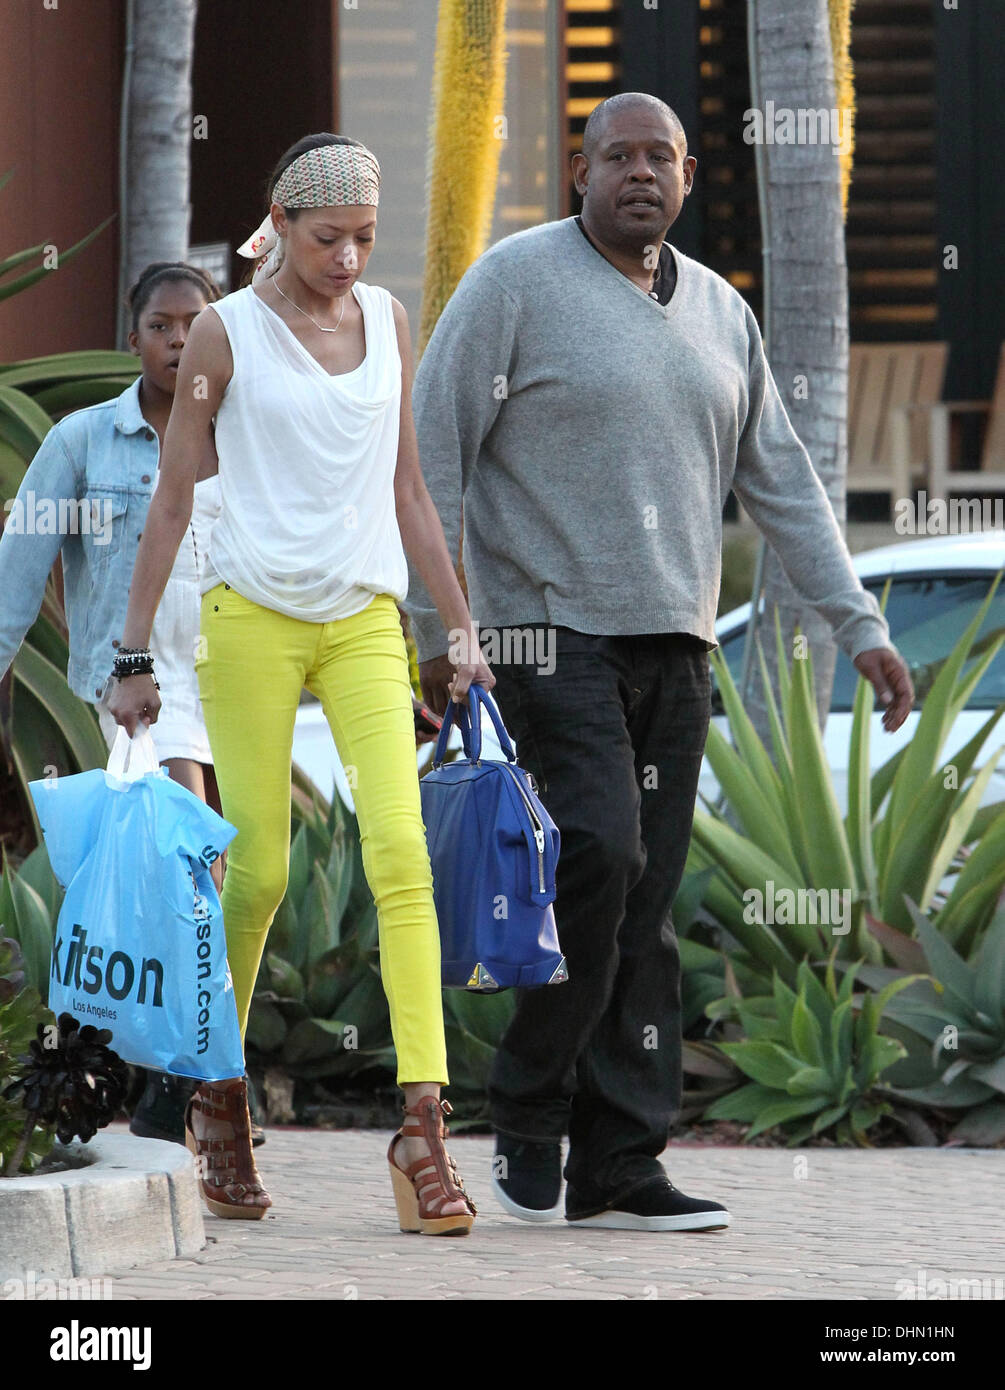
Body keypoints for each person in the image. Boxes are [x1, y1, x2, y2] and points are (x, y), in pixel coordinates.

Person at [404, 93, 915, 1232]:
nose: (641, 173)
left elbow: (781, 479)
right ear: (580, 173)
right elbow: (432, 448)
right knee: (600, 845)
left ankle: (620, 1165)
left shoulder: (723, 315)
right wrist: (438, 628)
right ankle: (527, 1105)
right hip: (542, 635)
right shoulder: (516, 283)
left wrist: (861, 626)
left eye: (661, 157)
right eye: (617, 156)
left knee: (645, 903)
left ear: (688, 176)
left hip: (677, 644)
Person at [108, 134, 492, 1233]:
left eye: (367, 238)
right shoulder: (225, 333)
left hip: (364, 616)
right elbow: (175, 497)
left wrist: (457, 627)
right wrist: (135, 654)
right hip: (251, 619)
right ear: (282, 219)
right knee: (261, 870)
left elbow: (411, 489)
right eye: (330, 238)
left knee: (403, 855)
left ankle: (424, 1125)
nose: (350, 258)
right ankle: (218, 1095)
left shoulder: (391, 324)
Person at [0, 261, 239, 1146]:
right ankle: (164, 1089)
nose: (179, 340)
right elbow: (19, 568)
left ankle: (165, 1079)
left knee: (215, 884)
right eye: (161, 326)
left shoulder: (245, 435)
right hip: (134, 687)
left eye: (195, 324)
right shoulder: (83, 440)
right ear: (131, 338)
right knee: (186, 866)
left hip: (238, 679)